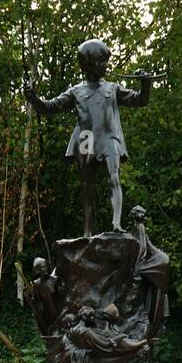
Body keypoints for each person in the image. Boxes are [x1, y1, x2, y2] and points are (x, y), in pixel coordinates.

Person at [24, 40, 152, 236]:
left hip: (109, 137)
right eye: (101, 61)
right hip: (86, 139)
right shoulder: (77, 91)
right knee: (87, 187)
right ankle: (87, 233)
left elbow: (140, 100)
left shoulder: (113, 88)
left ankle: (116, 223)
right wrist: (34, 99)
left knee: (114, 177)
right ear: (88, 64)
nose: (106, 66)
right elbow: (50, 107)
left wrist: (146, 83)